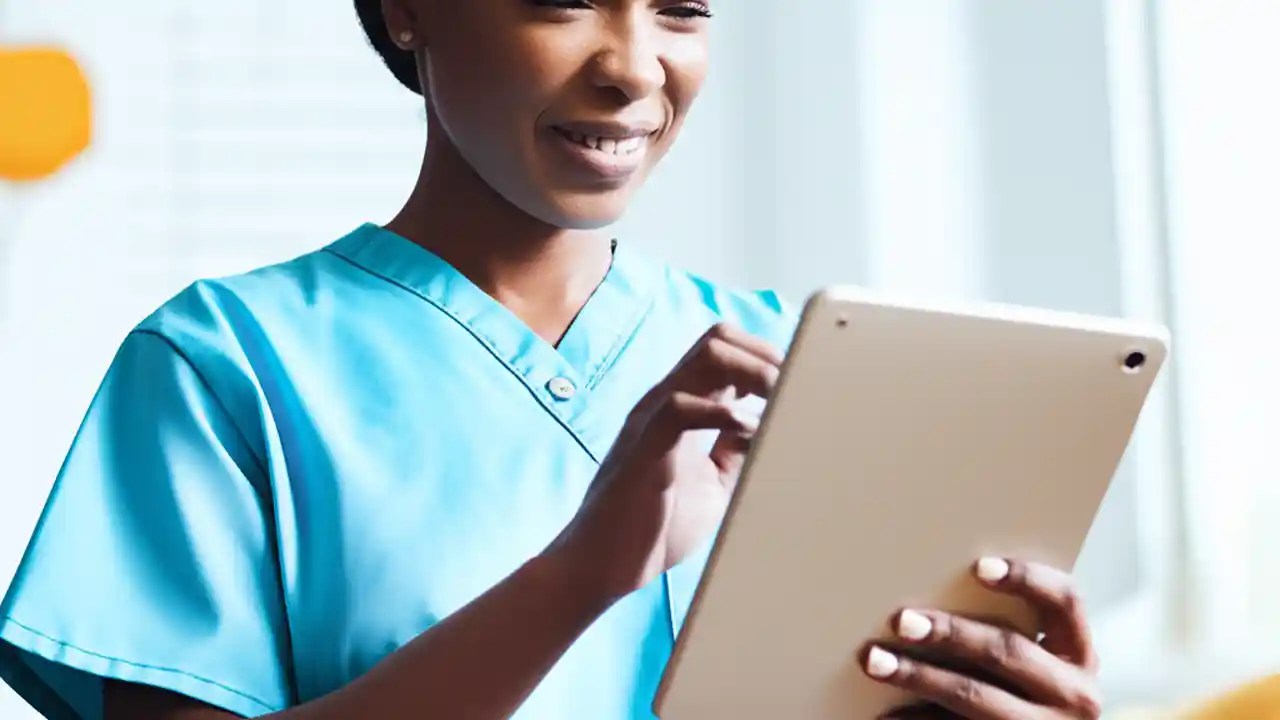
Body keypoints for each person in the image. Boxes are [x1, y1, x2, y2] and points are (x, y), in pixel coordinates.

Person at [0, 1, 1103, 718]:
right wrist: (575, 580)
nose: (632, 67)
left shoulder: (802, 364)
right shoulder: (221, 366)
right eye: (561, 2)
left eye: (681, 10)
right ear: (405, 11)